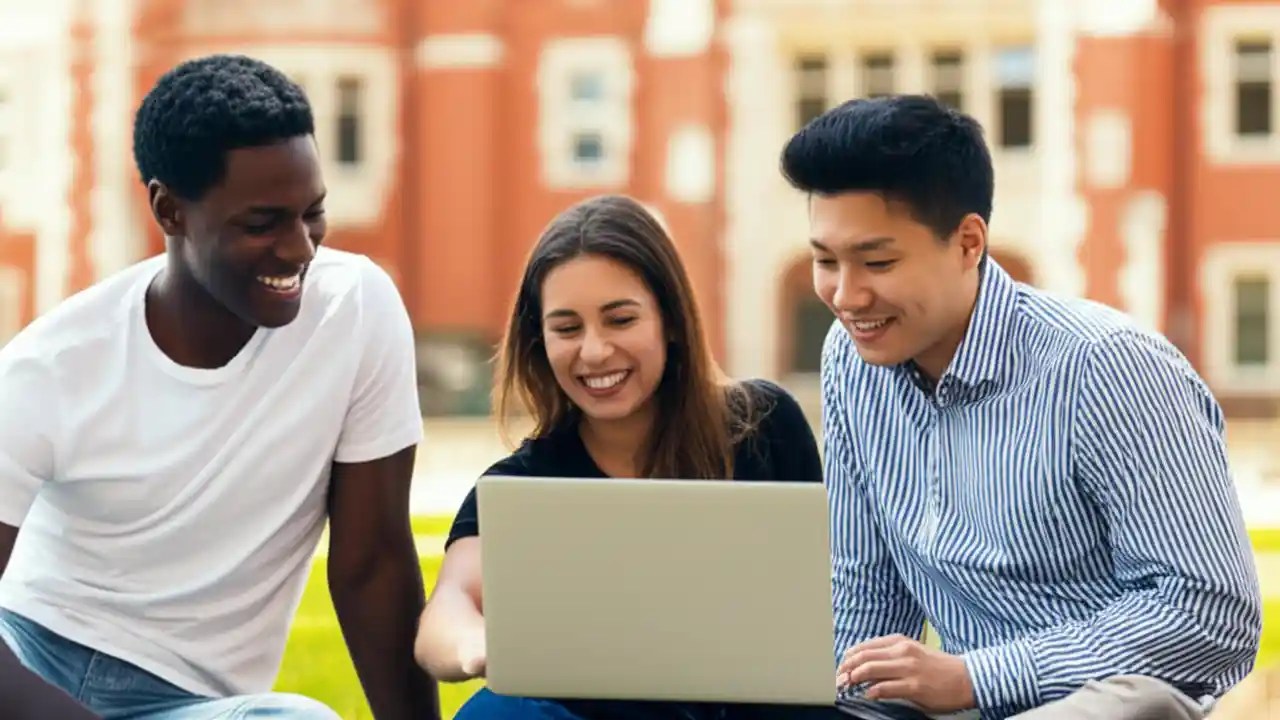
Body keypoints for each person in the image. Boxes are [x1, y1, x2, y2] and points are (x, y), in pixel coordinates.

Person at [780, 93, 1263, 720]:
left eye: (878, 261)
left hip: (1105, 702)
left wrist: (979, 677)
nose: (845, 296)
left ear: (969, 242)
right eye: (825, 261)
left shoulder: (1109, 367)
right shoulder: (851, 359)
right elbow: (865, 592)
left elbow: (1209, 611)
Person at [0, 54, 439, 719]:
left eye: (312, 213)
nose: (299, 250)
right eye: (262, 223)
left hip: (192, 705)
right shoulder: (51, 367)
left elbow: (372, 564)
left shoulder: (355, 311)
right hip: (29, 666)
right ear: (169, 210)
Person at [414, 195, 861, 720]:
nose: (595, 351)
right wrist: (480, 646)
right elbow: (444, 616)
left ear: (670, 320)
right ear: (540, 340)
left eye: (620, 319)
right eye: (567, 328)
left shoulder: (764, 426)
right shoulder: (524, 482)